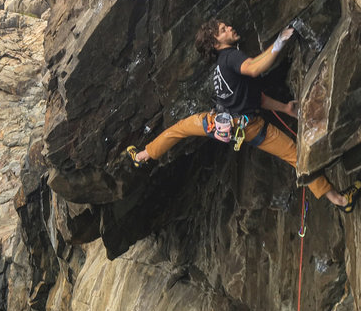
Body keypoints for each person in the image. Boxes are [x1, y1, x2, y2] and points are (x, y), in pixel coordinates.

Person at [126, 19, 359, 212]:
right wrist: (280, 41)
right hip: (248, 126)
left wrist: (286, 109)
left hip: (219, 122)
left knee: (179, 129)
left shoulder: (221, 66)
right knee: (296, 155)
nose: (229, 27)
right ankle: (340, 201)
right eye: (222, 29)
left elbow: (255, 98)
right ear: (216, 43)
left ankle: (143, 156)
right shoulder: (230, 57)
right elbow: (255, 68)